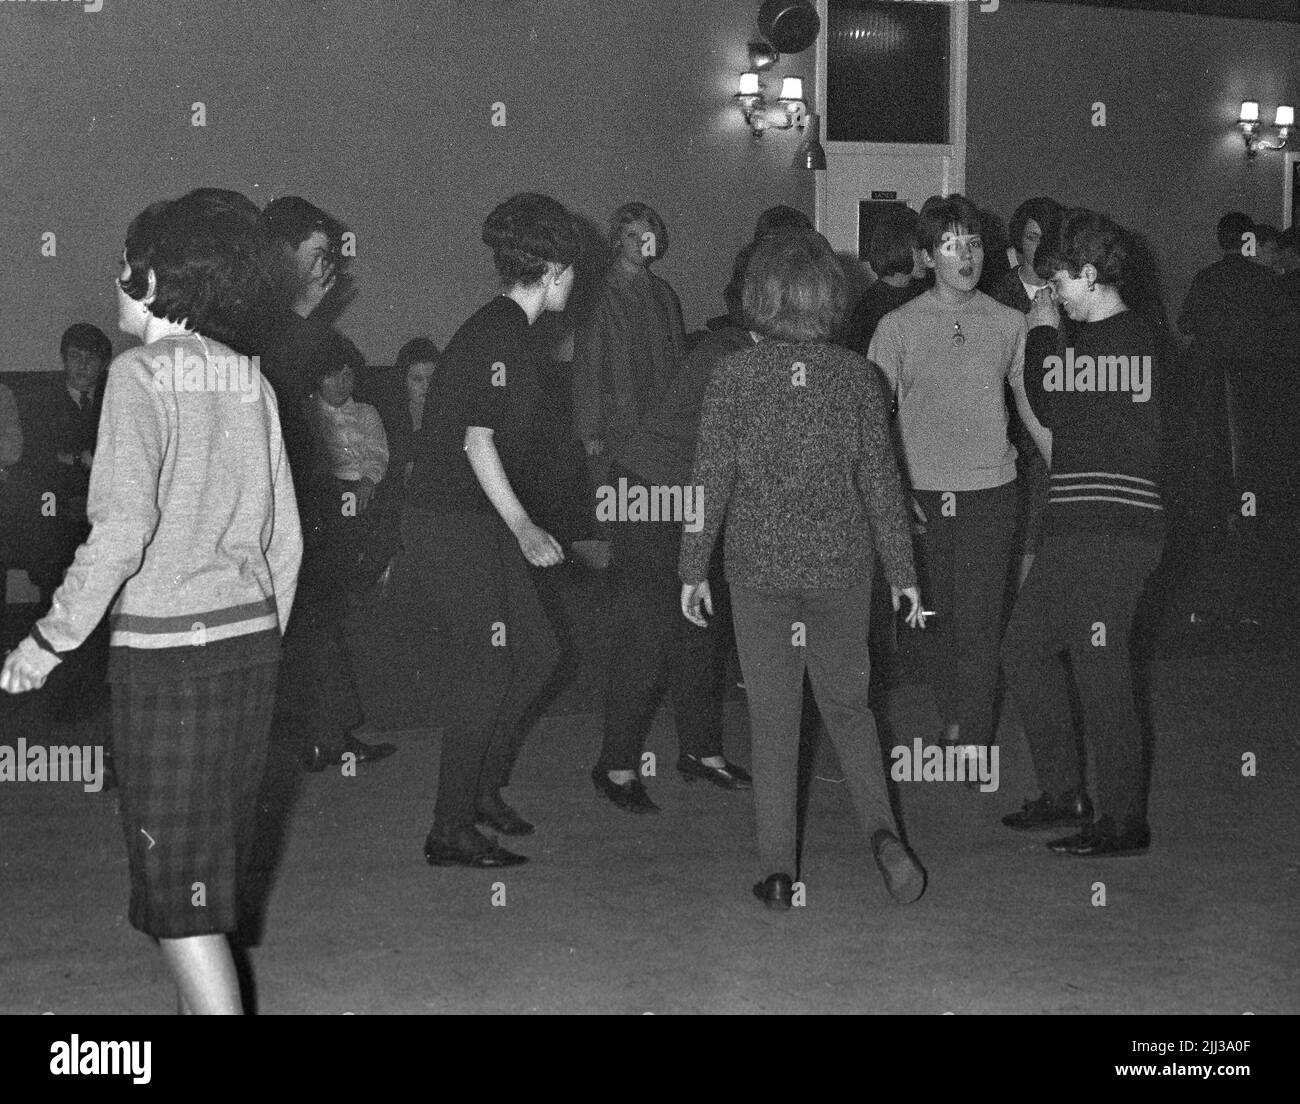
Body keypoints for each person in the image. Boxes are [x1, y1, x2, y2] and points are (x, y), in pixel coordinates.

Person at [1, 189, 302, 1014]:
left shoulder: (136, 377)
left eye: (124, 265)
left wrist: (49, 640)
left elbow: (122, 530)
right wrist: (258, 635)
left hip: (169, 664)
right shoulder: (249, 379)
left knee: (178, 901)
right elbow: (286, 542)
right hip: (250, 654)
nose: (115, 280)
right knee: (204, 881)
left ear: (157, 278)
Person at [680, 228, 927, 910]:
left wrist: (691, 569)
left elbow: (708, 482)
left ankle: (779, 873)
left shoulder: (734, 376)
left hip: (759, 573)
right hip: (842, 571)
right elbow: (882, 485)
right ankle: (884, 834)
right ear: (831, 299)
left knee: (773, 721)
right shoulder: (858, 378)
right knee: (850, 710)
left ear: (760, 297)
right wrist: (904, 576)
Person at [401, 192, 582, 869]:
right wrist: (525, 527)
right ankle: (449, 829)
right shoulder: (500, 335)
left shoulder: (511, 332)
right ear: (554, 270)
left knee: (536, 653)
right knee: (488, 669)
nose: (575, 280)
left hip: (478, 519)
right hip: (450, 521)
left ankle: (480, 791)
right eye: (573, 269)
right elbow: (477, 442)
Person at [1000, 208, 1164, 857]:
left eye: (1060, 282)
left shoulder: (1131, 339)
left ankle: (1124, 823)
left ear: (1090, 275)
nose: (1054, 295)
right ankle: (1064, 793)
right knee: (1024, 649)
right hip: (1077, 525)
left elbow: (1050, 399)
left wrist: (1041, 331)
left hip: (1114, 529)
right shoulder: (1100, 341)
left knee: (1101, 668)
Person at [867, 194, 1038, 768]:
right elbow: (873, 419)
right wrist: (893, 491)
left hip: (994, 489)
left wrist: (1064, 465)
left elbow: (1030, 407)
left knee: (983, 621)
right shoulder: (896, 327)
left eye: (974, 244)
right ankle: (955, 717)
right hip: (925, 494)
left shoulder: (1010, 322)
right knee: (938, 617)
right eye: (949, 245)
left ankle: (973, 740)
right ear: (925, 257)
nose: (965, 256)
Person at [590, 243, 759, 814]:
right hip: (648, 490)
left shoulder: (758, 351)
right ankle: (615, 765)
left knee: (699, 625)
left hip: (691, 494)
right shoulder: (727, 353)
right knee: (651, 629)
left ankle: (700, 751)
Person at [262, 196, 396, 770]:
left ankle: (330, 735)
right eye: (316, 254)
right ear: (281, 253)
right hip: (260, 496)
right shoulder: (251, 317)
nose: (328, 267)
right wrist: (304, 311)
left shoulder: (290, 321)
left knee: (316, 613)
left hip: (296, 489)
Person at [572, 202, 686, 491]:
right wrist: (590, 429)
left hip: (659, 419)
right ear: (618, 240)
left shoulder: (664, 294)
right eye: (631, 235)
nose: (639, 243)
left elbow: (677, 359)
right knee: (614, 497)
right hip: (616, 419)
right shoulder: (601, 293)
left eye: (646, 235)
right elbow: (588, 363)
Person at [843, 206, 926, 357]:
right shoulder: (871, 306)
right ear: (901, 248)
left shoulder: (924, 294)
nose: (927, 256)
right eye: (919, 249)